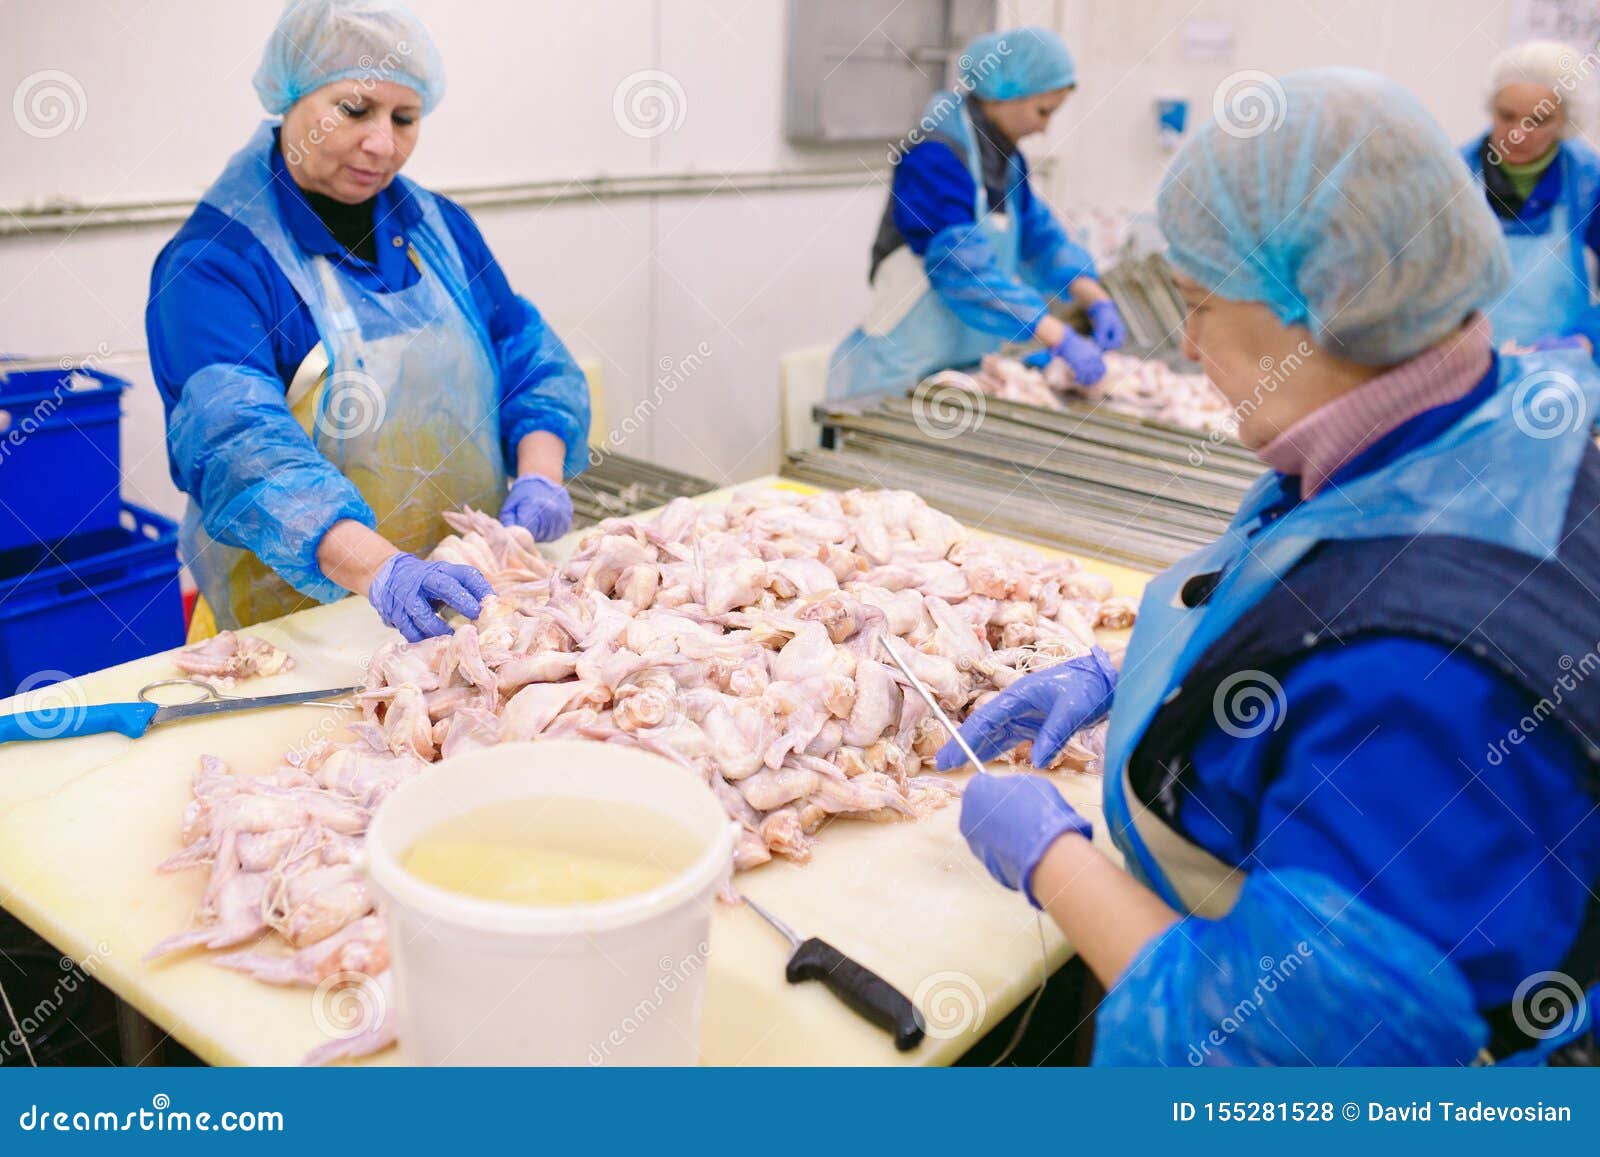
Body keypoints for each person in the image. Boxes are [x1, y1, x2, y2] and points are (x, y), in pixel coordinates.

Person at [942, 69, 1600, 1065]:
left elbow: (1274, 1066)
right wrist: (1145, 680)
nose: (1190, 341)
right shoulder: (1471, 425)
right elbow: (1302, 605)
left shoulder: (1423, 684)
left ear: (1327, 305)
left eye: (1201, 303)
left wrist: (1054, 861)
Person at [146, 0, 589, 643]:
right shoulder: (217, 264)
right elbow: (239, 447)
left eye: (404, 118)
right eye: (354, 110)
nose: (382, 144)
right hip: (290, 635)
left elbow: (527, 356)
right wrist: (385, 572)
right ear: (291, 96)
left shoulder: (439, 229)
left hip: (463, 610)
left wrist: (541, 477)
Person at [827, 27, 1126, 397]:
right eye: (1042, 111)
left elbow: (1041, 239)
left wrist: (1094, 297)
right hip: (897, 374)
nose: (1044, 127)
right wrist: (1055, 334)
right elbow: (961, 269)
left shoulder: (1007, 161)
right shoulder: (934, 157)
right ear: (1006, 92)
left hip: (963, 372)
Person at [1463, 40, 1600, 353]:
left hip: (1559, 371)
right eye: (1506, 116)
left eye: (1538, 120)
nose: (1518, 134)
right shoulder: (1453, 175)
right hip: (1463, 371)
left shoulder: (1589, 183)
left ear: (1567, 120)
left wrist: (1586, 340)